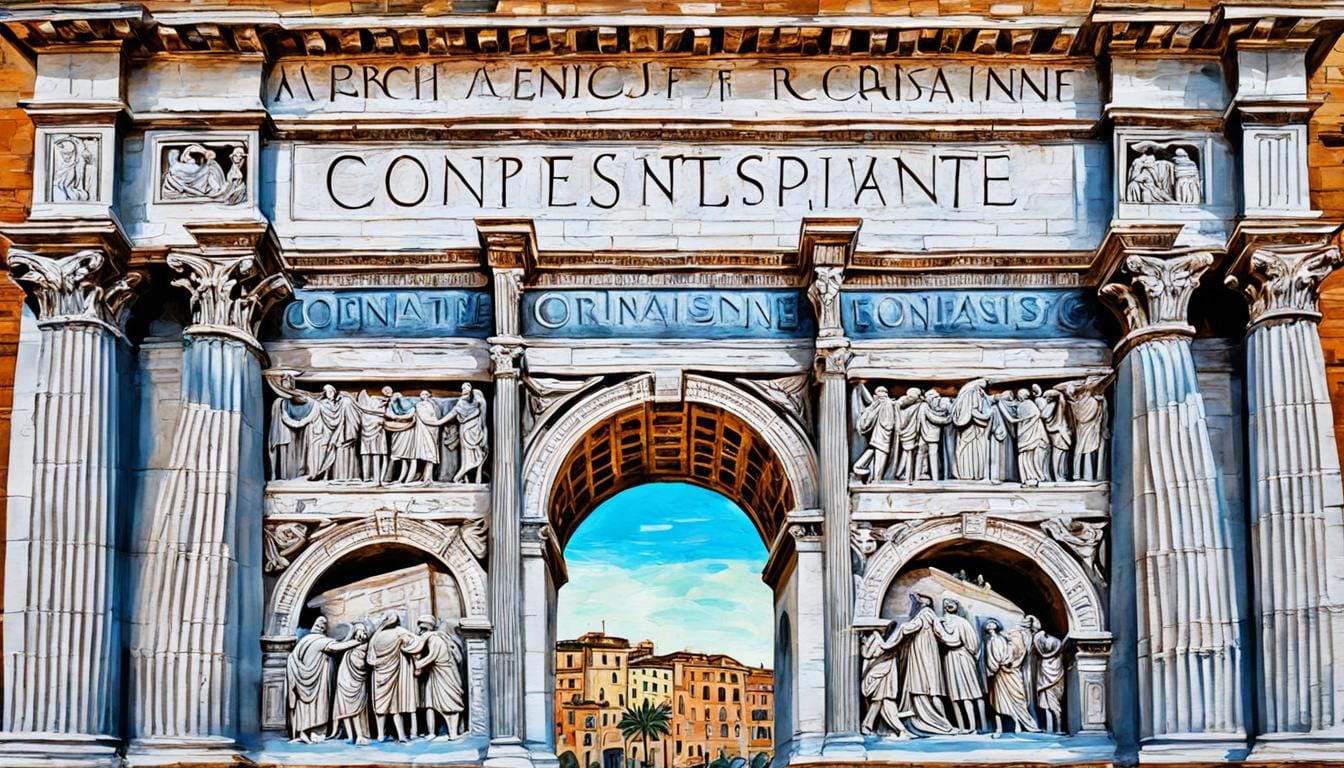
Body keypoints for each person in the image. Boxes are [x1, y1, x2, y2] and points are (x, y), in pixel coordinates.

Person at [892, 593, 956, 734]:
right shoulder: (927, 613)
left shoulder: (925, 613)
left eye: (919, 602)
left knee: (925, 685)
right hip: (925, 650)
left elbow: (915, 627)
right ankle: (944, 722)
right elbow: (940, 632)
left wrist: (903, 628)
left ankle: (942, 722)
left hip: (922, 651)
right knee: (932, 689)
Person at [934, 596, 985, 733]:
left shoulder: (962, 622)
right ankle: (962, 727)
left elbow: (973, 642)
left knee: (970, 693)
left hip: (963, 657)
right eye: (947, 603)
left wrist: (970, 653)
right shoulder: (940, 623)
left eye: (953, 603)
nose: (950, 605)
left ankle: (977, 726)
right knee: (955, 695)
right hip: (950, 659)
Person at [367, 612, 420, 742]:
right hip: (393, 672)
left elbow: (370, 659)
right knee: (395, 707)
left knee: (380, 706)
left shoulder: (375, 637)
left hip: (379, 674)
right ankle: (401, 735)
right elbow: (415, 643)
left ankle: (380, 735)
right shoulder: (398, 632)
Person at [984, 618, 1041, 737]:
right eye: (988, 624)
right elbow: (990, 658)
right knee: (998, 703)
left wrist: (1008, 662)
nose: (990, 625)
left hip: (1010, 672)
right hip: (998, 675)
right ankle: (1000, 727)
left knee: (1018, 698)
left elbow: (1015, 652)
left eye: (992, 623)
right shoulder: (989, 642)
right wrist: (994, 667)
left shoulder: (1005, 639)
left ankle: (1023, 724)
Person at [411, 616, 466, 738]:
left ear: (427, 628)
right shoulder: (434, 638)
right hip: (435, 674)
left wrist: (417, 664)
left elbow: (432, 656)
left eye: (422, 629)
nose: (419, 632)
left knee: (451, 703)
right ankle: (432, 733)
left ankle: (453, 733)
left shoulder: (435, 639)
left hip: (445, 674)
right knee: (430, 704)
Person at [286, 617, 336, 743]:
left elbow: (293, 658)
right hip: (318, 682)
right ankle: (314, 733)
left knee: (304, 707)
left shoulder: (303, 641)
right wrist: (357, 641)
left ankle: (303, 732)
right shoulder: (321, 641)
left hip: (302, 681)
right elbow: (337, 647)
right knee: (318, 706)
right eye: (321, 624)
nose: (322, 625)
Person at [860, 627, 913, 738]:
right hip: (882, 681)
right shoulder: (877, 644)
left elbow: (870, 654)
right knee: (885, 705)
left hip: (884, 683)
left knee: (878, 704)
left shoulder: (885, 651)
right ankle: (902, 730)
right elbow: (868, 655)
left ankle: (867, 725)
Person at [328, 623, 372, 745]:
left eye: (363, 630)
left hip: (357, 681)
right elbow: (336, 648)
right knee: (345, 708)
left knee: (355, 709)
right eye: (358, 630)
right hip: (345, 680)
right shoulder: (351, 646)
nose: (361, 633)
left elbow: (361, 663)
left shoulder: (364, 646)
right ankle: (350, 735)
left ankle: (359, 735)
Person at [442, 383, 489, 483]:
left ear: (471, 389)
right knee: (467, 458)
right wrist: (438, 422)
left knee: (480, 455)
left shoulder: (478, 400)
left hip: (476, 432)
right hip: (466, 432)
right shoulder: (461, 402)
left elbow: (483, 421)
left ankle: (468, 477)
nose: (463, 389)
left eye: (466, 387)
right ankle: (459, 477)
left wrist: (485, 435)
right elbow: (453, 414)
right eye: (462, 388)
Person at [853, 385, 899, 483]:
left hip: (881, 437)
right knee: (878, 460)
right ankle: (873, 479)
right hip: (882, 438)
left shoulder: (882, 404)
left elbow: (887, 424)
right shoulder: (887, 403)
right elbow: (888, 424)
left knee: (878, 460)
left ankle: (875, 479)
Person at [1003, 388, 1047, 487]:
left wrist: (1025, 425)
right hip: (1024, 434)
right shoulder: (1022, 405)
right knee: (1025, 455)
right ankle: (1028, 477)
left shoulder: (1028, 403)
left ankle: (1034, 477)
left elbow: (1036, 415)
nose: (1018, 396)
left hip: (1031, 433)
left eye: (1019, 394)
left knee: (1030, 455)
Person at [952, 379, 992, 481]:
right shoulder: (971, 393)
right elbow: (972, 410)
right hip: (970, 427)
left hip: (977, 428)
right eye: (981, 388)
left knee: (976, 449)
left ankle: (975, 473)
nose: (982, 391)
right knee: (969, 449)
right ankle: (968, 473)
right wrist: (986, 416)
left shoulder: (972, 393)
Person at [1031, 618, 1066, 733]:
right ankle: (1050, 728)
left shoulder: (1055, 645)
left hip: (1053, 679)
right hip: (1045, 678)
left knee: (1055, 706)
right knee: (1046, 704)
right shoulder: (1044, 652)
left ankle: (1058, 728)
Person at [914, 390, 952, 482]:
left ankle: (935, 479)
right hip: (926, 434)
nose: (937, 399)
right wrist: (948, 419)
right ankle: (918, 477)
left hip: (931, 434)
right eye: (935, 397)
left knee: (931, 455)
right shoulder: (924, 406)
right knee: (924, 455)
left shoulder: (935, 406)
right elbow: (933, 418)